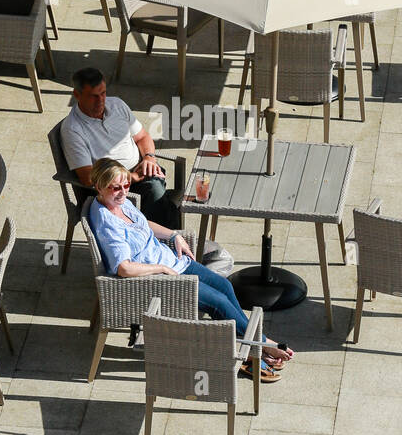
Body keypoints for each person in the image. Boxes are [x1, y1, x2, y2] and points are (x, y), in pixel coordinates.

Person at [87, 159, 294, 381]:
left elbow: (144, 223)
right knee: (219, 304)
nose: (122, 192)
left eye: (126, 185)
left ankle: (251, 348)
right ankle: (262, 345)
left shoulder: (119, 203)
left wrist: (173, 235)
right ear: (99, 186)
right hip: (158, 280)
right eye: (115, 187)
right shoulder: (107, 223)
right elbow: (123, 268)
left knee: (224, 285)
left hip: (173, 263)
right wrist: (162, 269)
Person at [61, 66, 181, 229]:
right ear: (77, 95)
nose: (101, 100)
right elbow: (87, 177)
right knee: (157, 194)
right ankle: (173, 241)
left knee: (158, 191)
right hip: (112, 187)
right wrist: (130, 177)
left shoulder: (117, 104)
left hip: (140, 171)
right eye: (93, 96)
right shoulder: (72, 129)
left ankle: (168, 241)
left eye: (103, 93)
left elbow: (143, 137)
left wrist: (149, 158)